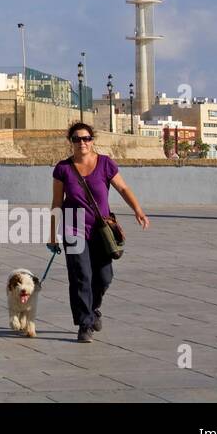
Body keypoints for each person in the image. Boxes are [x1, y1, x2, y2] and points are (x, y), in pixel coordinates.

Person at [48, 121, 150, 343]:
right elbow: (57, 202)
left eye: (86, 138)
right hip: (72, 227)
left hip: (100, 229)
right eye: (76, 139)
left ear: (92, 141)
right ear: (71, 142)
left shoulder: (105, 164)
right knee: (81, 276)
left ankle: (93, 308)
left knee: (104, 277)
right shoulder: (63, 168)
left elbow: (123, 188)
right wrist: (51, 234)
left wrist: (138, 210)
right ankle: (85, 324)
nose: (82, 143)